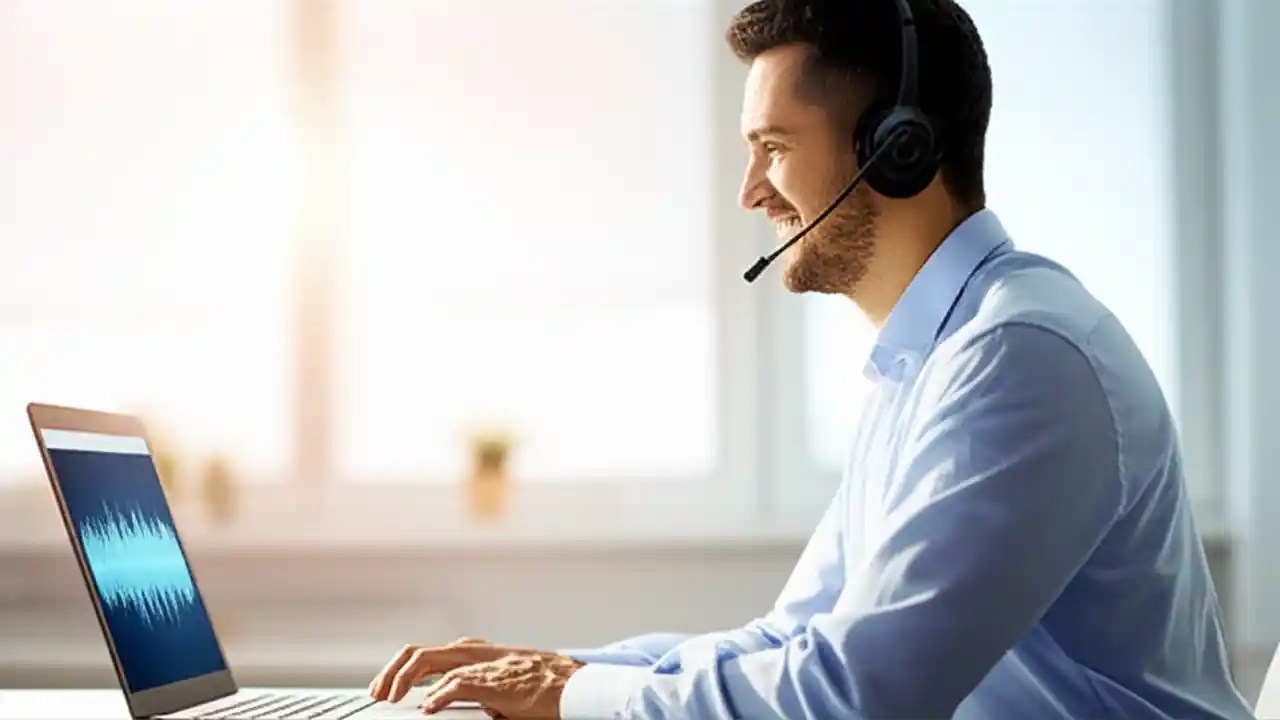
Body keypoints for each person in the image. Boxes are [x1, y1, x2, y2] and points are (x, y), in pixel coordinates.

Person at [367, 0, 1254, 717]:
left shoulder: (1018, 358)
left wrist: (576, 694)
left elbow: (853, 696)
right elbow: (793, 641)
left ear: (895, 151)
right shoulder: (932, 359)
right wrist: (559, 668)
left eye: (774, 148)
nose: (751, 190)